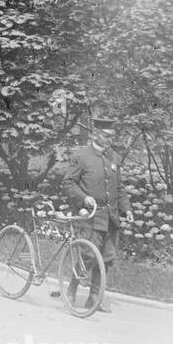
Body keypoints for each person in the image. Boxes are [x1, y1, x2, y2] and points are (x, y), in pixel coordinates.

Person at [58, 116, 134, 313]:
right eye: (106, 136)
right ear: (95, 134)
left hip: (111, 217)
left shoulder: (114, 158)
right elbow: (68, 183)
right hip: (90, 216)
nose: (110, 140)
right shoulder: (81, 156)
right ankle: (72, 290)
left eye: (112, 136)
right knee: (88, 255)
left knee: (107, 257)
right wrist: (84, 198)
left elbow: (120, 187)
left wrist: (127, 209)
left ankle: (94, 300)